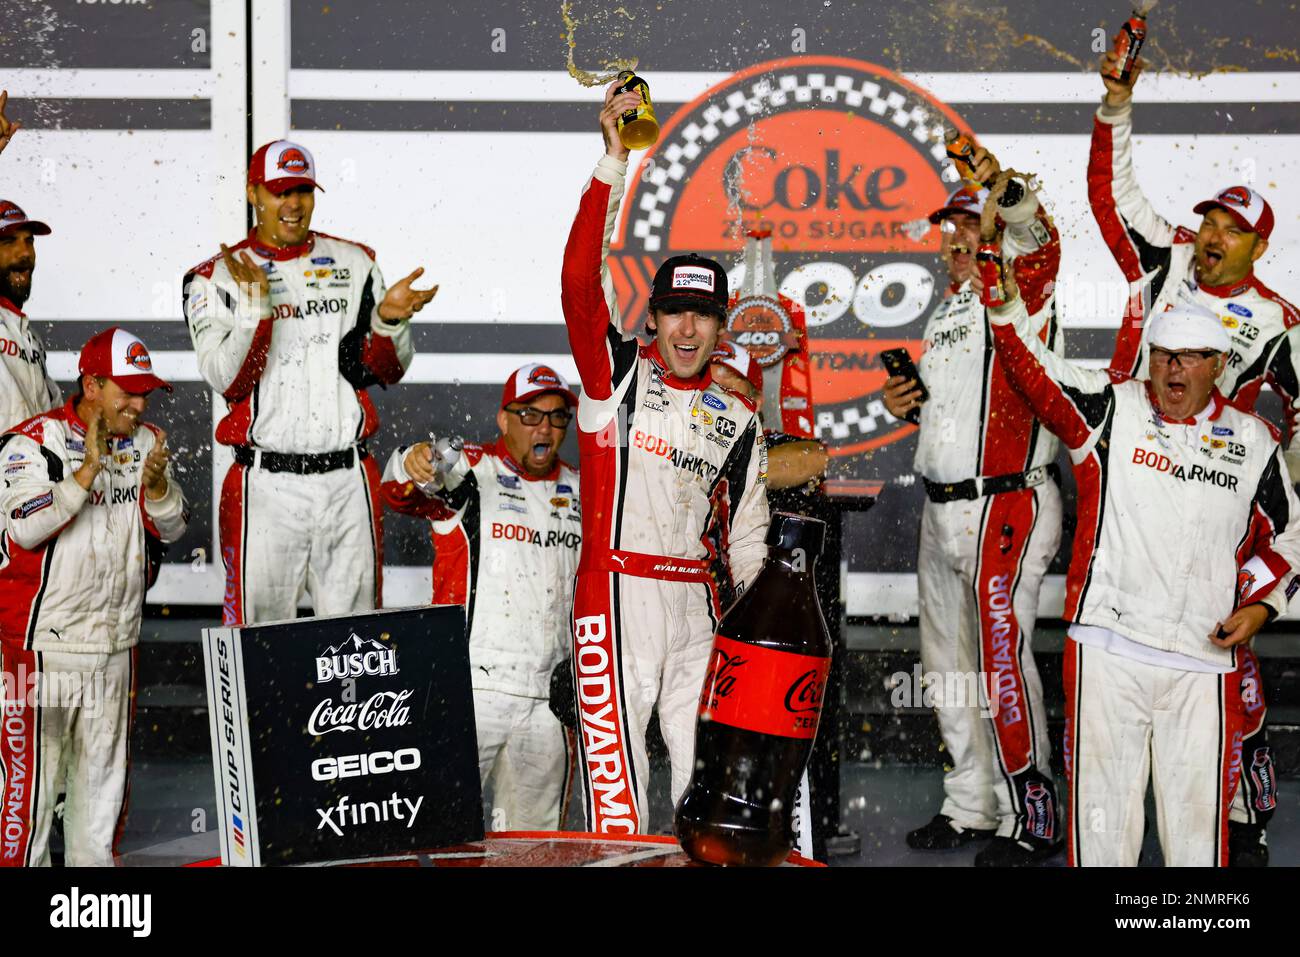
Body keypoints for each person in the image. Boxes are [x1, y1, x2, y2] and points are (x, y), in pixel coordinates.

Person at [986, 239, 1300, 867]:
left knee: (1196, 841)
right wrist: (1003, 308)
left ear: (1217, 365)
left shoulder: (1254, 442)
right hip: (1108, 654)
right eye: (1162, 356)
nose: (1173, 371)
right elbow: (1035, 372)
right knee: (1102, 833)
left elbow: (1289, 541)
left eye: (1189, 358)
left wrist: (1261, 608)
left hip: (1203, 661)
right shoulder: (1111, 411)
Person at [1091, 50, 1297, 864]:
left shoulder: (1279, 319)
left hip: (1219, 505)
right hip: (1134, 484)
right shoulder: (1166, 257)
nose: (1211, 236)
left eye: (1231, 230)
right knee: (1114, 654)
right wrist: (1116, 104)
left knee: (1225, 657)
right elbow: (1113, 199)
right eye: (1210, 220)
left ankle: (1242, 810)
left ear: (1257, 249)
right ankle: (1119, 827)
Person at [560, 81, 770, 834]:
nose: (688, 329)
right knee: (618, 805)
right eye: (674, 312)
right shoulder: (611, 376)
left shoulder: (740, 410)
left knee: (705, 798)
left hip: (701, 607)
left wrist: (751, 622)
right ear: (650, 318)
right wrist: (612, 166)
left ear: (722, 326)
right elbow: (580, 286)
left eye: (705, 316)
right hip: (614, 597)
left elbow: (747, 535)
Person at [882, 157, 1065, 865]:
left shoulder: (1022, 288)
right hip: (942, 507)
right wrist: (908, 405)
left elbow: (1041, 235)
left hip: (1007, 500)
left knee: (1002, 664)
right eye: (948, 227)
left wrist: (1005, 198)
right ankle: (971, 805)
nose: (956, 239)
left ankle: (1034, 813)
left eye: (970, 224)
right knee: (951, 667)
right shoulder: (948, 309)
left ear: (994, 230)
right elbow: (951, 417)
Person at [184, 139, 436, 626]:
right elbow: (227, 379)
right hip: (265, 484)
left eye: (302, 190)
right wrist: (257, 308)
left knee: (356, 643)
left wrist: (387, 322)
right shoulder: (214, 276)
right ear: (253, 192)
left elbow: (385, 370)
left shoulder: (355, 262)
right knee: (257, 645)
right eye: (280, 191)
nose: (293, 204)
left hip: (346, 480)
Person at [0, 327, 187, 866]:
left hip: (115, 646)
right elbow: (23, 527)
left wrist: (158, 492)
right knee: (27, 801)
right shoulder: (32, 442)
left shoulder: (148, 441)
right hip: (41, 652)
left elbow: (172, 528)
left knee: (99, 806)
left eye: (144, 390)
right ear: (91, 384)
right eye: (126, 390)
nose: (138, 402)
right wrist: (86, 471)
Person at [380, 363, 582, 831]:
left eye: (556, 417)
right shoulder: (472, 469)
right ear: (503, 418)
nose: (545, 429)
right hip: (469, 689)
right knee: (440, 832)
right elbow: (400, 493)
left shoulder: (584, 487)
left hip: (547, 700)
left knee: (533, 849)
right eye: (530, 415)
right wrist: (410, 459)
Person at [0, 200, 62, 431]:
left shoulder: (32, 339)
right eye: (8, 242)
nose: (25, 253)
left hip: (29, 465)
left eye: (29, 241)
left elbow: (52, 421)